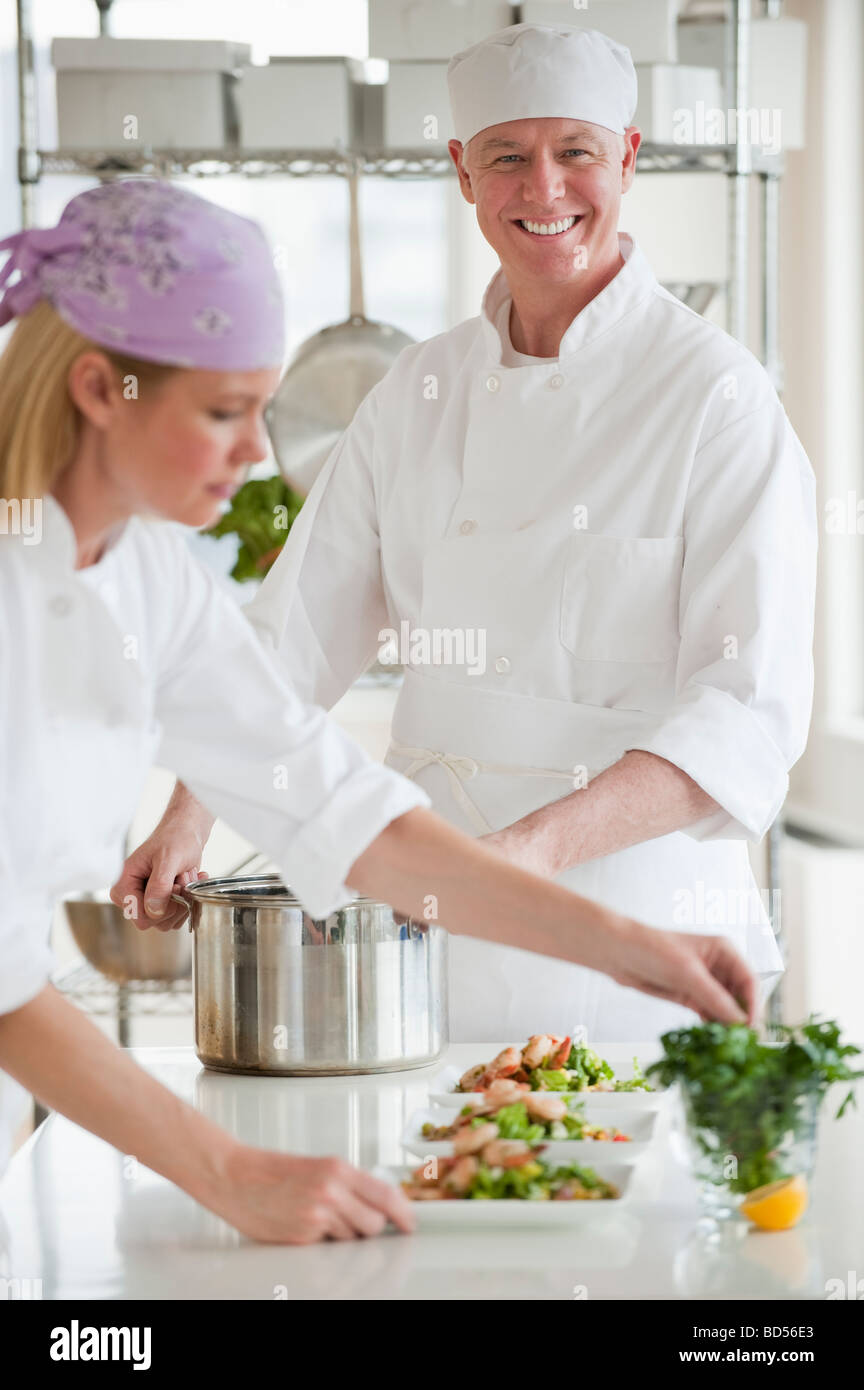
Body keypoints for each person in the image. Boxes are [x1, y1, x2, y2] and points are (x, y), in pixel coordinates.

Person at [0, 178, 756, 1245]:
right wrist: (228, 1170)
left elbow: (353, 819)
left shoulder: (149, 578)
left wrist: (634, 947)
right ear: (99, 387)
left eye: (262, 409)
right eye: (222, 413)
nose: (258, 454)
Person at [124, 23, 817, 1044]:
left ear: (627, 156)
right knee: (441, 1176)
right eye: (508, 156)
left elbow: (745, 714)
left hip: (644, 936)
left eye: (576, 151)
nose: (545, 189)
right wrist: (191, 808)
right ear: (462, 172)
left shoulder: (717, 397)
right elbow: (295, 633)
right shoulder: (419, 388)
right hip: (435, 940)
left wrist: (528, 853)